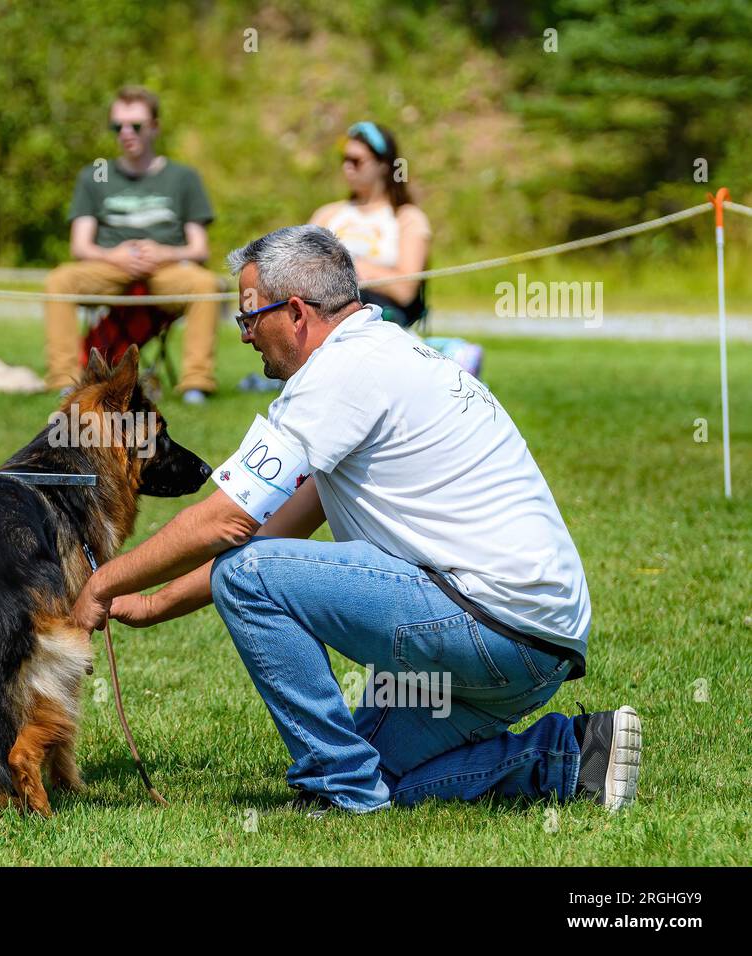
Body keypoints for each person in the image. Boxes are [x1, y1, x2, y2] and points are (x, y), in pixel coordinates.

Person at [71, 225, 642, 816]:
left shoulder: (338, 373)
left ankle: (339, 789)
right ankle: (569, 756)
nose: (243, 336)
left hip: (490, 624)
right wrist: (156, 604)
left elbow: (228, 524)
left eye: (248, 318)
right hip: (537, 639)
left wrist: (104, 582)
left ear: (294, 312)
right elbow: (277, 529)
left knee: (249, 578)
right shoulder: (387, 352)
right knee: (374, 764)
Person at [44, 85, 219, 403]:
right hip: (108, 267)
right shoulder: (94, 175)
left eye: (135, 125)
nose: (126, 133)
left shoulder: (183, 177)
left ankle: (196, 383)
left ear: (155, 126)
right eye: (118, 126)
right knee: (59, 279)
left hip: (164, 271)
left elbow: (200, 249)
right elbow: (80, 246)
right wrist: (113, 256)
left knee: (206, 284)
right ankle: (65, 383)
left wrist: (166, 253)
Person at [310, 121, 431, 328]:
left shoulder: (407, 218)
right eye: (344, 159)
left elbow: (405, 291)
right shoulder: (327, 214)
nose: (347, 167)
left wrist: (347, 268)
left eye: (356, 161)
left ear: (383, 165)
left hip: (384, 322)